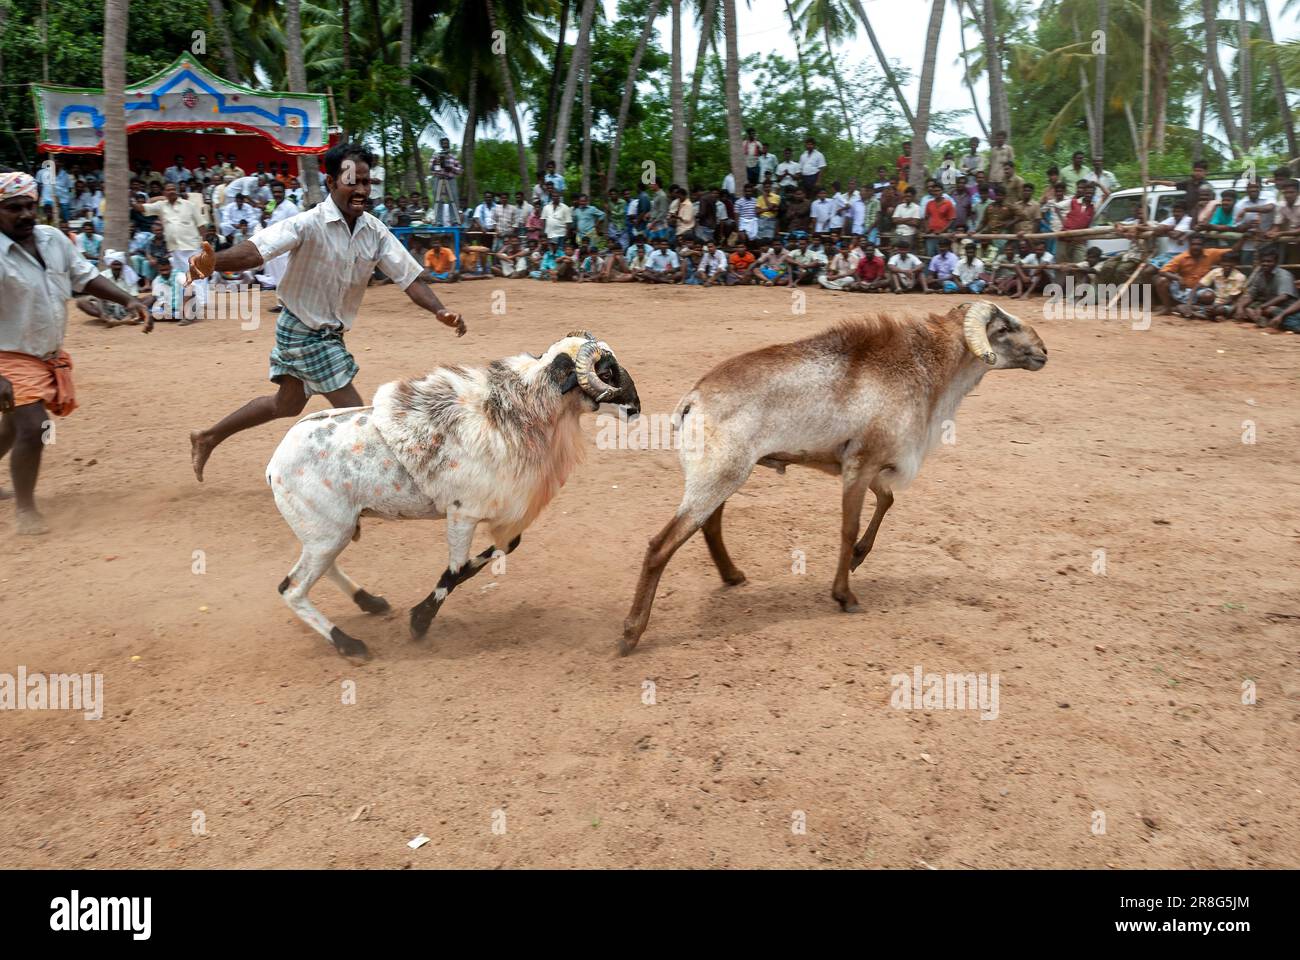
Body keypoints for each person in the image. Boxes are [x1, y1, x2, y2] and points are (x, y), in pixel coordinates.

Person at [184, 143, 466, 482]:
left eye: (366, 182)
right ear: (331, 182)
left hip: (327, 333)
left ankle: (207, 437)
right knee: (357, 412)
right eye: (352, 182)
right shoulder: (308, 224)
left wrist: (439, 309)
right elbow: (256, 252)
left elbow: (407, 277)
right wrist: (214, 262)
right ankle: (365, 484)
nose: (361, 190)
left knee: (283, 405)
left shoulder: (375, 231)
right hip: (304, 331)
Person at [0, 171, 150, 534]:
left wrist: (128, 299)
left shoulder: (52, 240)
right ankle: (25, 510)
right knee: (34, 427)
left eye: (29, 206)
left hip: (46, 353)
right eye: (12, 208)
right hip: (8, 356)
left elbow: (83, 277)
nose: (23, 214)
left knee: (12, 427)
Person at [1153, 233, 1236, 316]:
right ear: (1189, 244)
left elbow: (1233, 250)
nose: (1196, 247)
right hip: (1183, 289)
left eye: (1199, 244)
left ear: (1203, 245)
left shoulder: (1211, 253)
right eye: (1193, 244)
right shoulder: (1181, 257)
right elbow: (1163, 271)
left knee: (1209, 296)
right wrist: (1178, 278)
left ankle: (1184, 308)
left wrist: (1243, 239)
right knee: (1161, 280)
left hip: (1200, 290)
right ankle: (1167, 308)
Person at [1177, 249, 1247, 320]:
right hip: (1214, 303)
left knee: (1218, 310)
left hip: (1229, 305)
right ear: (1221, 263)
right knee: (1181, 306)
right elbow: (1197, 287)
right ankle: (1206, 315)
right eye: (1225, 262)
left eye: (1231, 263)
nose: (1227, 265)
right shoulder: (1215, 272)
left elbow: (1230, 300)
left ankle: (1196, 314)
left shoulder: (1239, 277)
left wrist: (1215, 306)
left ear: (1235, 264)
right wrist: (1189, 303)